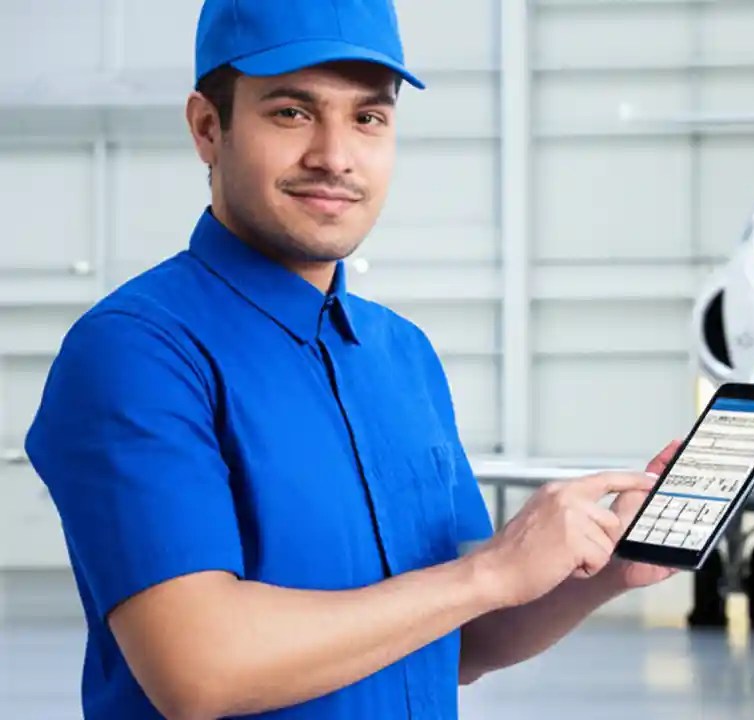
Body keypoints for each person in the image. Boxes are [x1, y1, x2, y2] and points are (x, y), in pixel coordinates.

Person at [23, 1, 680, 718]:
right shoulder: (137, 352)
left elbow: (460, 639)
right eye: (292, 113)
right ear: (209, 128)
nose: (335, 156)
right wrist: (490, 571)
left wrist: (604, 570)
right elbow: (199, 667)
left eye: (368, 118)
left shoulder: (402, 355)